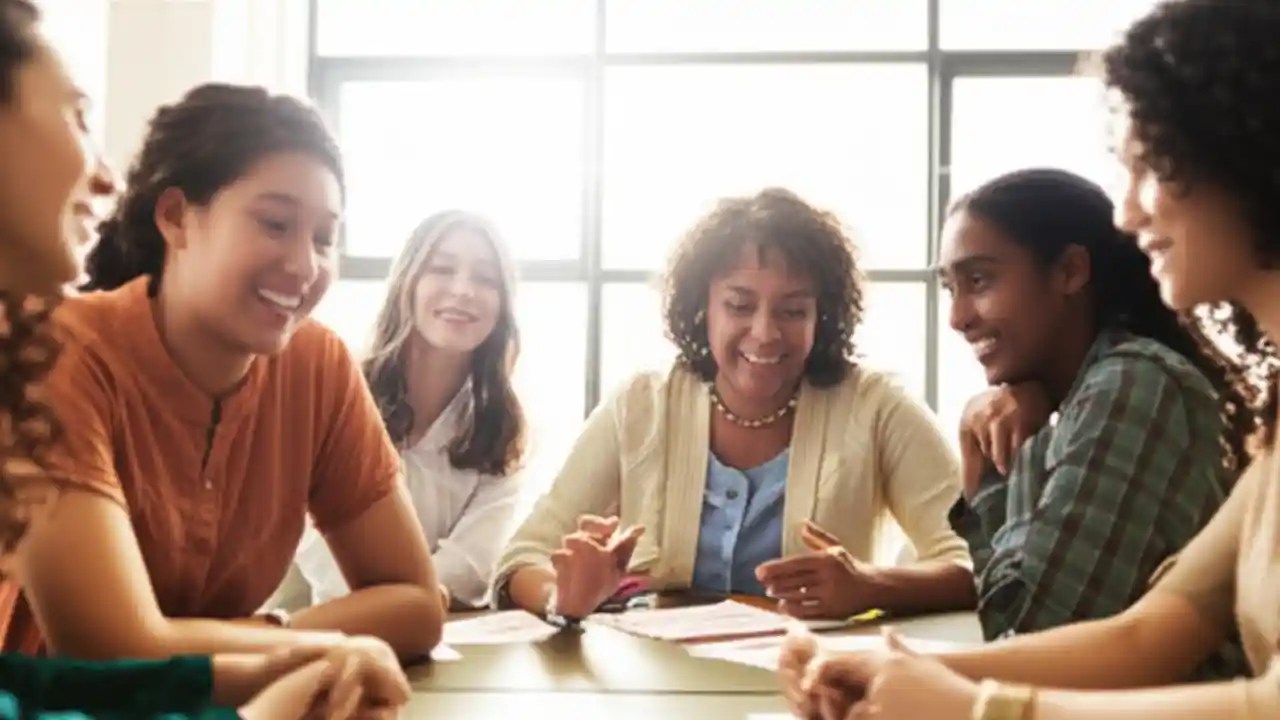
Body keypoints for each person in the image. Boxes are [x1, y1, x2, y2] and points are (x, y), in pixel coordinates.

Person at [779, 1, 1280, 717]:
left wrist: (978, 706)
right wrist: (882, 668)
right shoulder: (1270, 434)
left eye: (1151, 168)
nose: (1128, 213)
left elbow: (1037, 617)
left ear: (1245, 157)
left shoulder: (1136, 384)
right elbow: (1146, 633)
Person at [0, 1, 410, 717]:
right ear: (174, 218)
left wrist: (269, 642)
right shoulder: (60, 350)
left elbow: (414, 598)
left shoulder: (315, 362)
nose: (304, 264)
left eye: (324, 237)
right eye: (275, 223)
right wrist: (300, 651)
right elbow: (107, 649)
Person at [493, 188, 974, 622]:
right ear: (702, 306)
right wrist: (566, 599)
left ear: (821, 317)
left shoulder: (878, 408)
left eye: (792, 310)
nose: (765, 333)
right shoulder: (640, 406)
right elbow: (521, 560)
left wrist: (871, 585)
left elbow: (984, 562)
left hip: (814, 687)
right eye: (740, 306)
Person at [940, 168, 1238, 642]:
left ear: (1069, 271)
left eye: (979, 280)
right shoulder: (1081, 401)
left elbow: (1029, 635)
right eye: (949, 289)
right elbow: (1005, 616)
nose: (957, 318)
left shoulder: (1134, 383)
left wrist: (1002, 473)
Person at [294, 210, 526, 610]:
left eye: (485, 279)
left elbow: (471, 566)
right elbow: (317, 546)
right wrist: (396, 607)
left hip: (444, 638)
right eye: (442, 268)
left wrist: (404, 609)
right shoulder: (340, 390)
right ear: (407, 282)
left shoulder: (503, 426)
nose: (463, 290)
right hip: (333, 629)